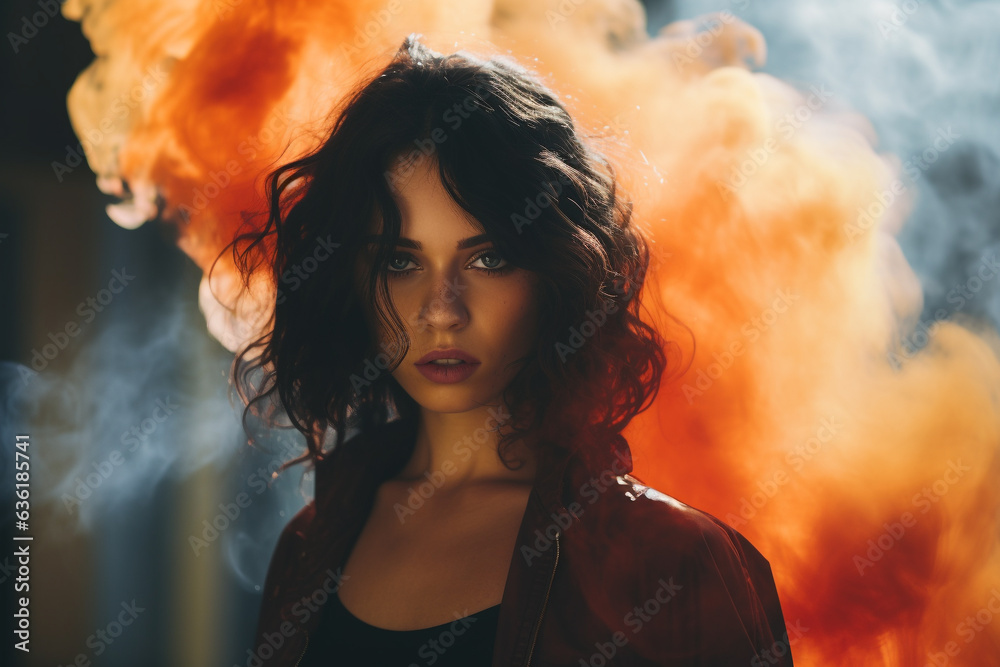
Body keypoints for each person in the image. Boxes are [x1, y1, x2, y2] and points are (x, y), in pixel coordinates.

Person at [221, 33, 794, 666]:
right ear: (351, 278)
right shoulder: (309, 546)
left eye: (489, 258)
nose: (442, 310)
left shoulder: (675, 562)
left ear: (556, 274)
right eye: (401, 261)